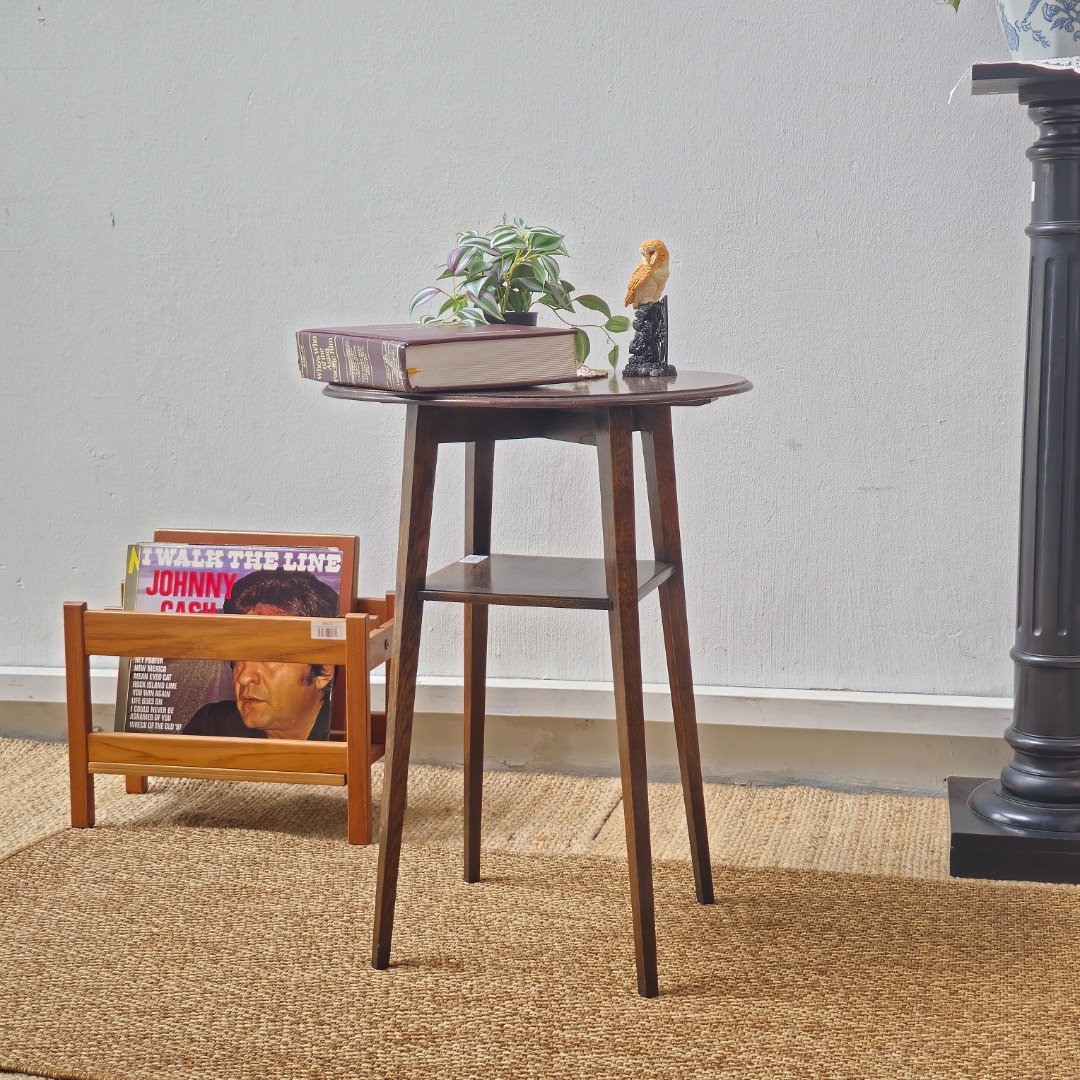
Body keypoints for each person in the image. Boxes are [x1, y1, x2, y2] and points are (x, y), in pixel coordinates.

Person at [182, 569, 340, 740]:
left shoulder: (346, 738)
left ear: (325, 669)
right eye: (238, 656)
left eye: (268, 657)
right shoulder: (211, 728)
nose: (244, 678)